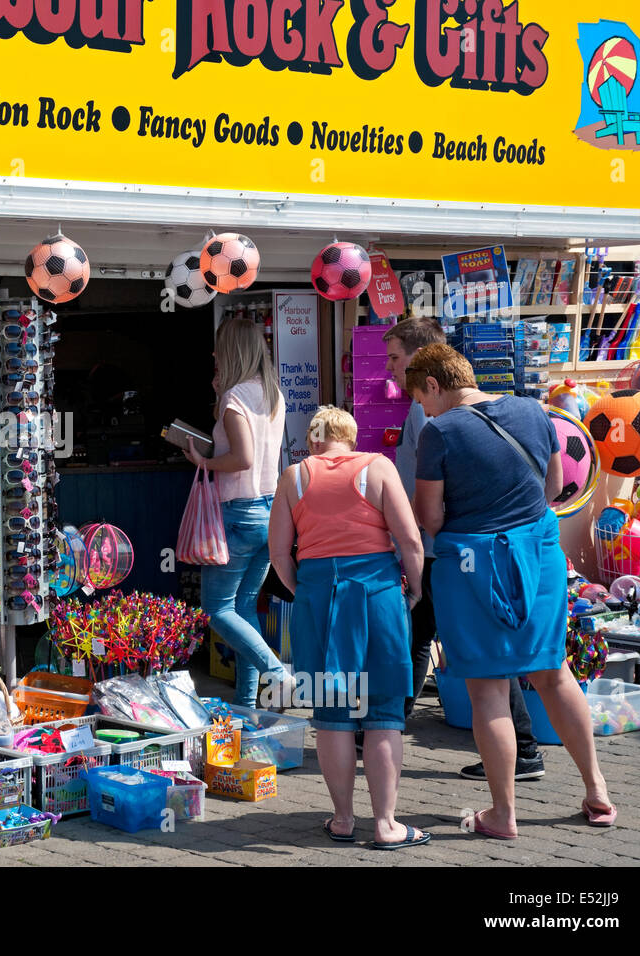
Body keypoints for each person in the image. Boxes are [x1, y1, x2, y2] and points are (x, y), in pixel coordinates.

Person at [408, 345, 615, 839]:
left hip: (471, 563)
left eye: (421, 399)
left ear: (435, 385)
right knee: (553, 672)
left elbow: (430, 518)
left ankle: (503, 814)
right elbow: (556, 485)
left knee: (487, 689)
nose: (423, 410)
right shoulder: (533, 409)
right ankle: (598, 789)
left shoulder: (439, 432)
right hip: (539, 554)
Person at [383, 320, 545, 781]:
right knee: (422, 636)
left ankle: (524, 749)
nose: (391, 369)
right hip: (463, 548)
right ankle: (388, 724)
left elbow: (430, 502)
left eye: (396, 358)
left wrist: (413, 536)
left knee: (477, 658)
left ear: (423, 366)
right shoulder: (514, 409)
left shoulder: (434, 415)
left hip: (449, 550)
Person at [268, 406, 428, 849]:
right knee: (383, 714)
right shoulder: (377, 467)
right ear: (350, 438)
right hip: (377, 595)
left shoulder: (293, 477)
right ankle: (387, 824)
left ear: (314, 439)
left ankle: (342, 819)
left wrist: (306, 591)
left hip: (319, 599)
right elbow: (409, 540)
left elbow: (279, 554)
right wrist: (413, 590)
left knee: (330, 713)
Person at [186, 318, 290, 709]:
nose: (214, 354)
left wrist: (202, 459)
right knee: (243, 608)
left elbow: (241, 458)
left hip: (238, 514)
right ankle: (247, 703)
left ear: (231, 351)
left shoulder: (235, 398)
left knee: (216, 610)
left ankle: (276, 672)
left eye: (219, 347)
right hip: (268, 512)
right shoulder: (271, 394)